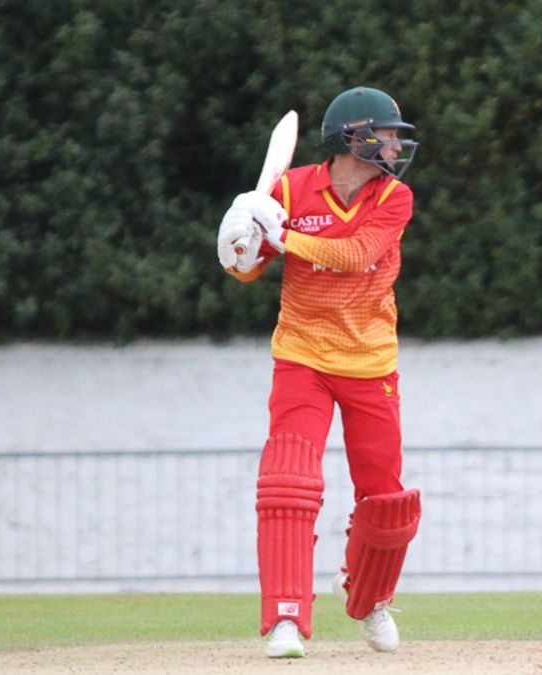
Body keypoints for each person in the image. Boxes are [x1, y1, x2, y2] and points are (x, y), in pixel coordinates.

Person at [215, 86, 423, 657]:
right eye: (383, 134)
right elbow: (251, 269)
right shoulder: (287, 189)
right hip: (302, 356)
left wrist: (282, 235)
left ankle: (367, 597)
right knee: (287, 481)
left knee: (386, 502)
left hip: (370, 361)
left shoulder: (395, 198)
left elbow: (357, 254)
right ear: (349, 138)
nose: (392, 145)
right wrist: (240, 245)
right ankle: (286, 618)